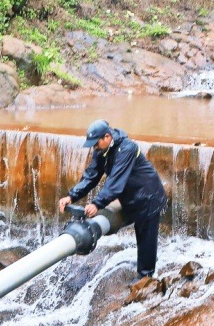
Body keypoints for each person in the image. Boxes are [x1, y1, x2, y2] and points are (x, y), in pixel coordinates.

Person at [58, 119, 168, 278]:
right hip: (131, 196)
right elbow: (91, 176)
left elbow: (115, 182)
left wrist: (97, 203)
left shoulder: (127, 149)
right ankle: (145, 270)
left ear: (107, 137)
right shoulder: (102, 150)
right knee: (142, 234)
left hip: (148, 195)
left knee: (145, 236)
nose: (94, 148)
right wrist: (71, 196)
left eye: (96, 144)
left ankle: (145, 278)